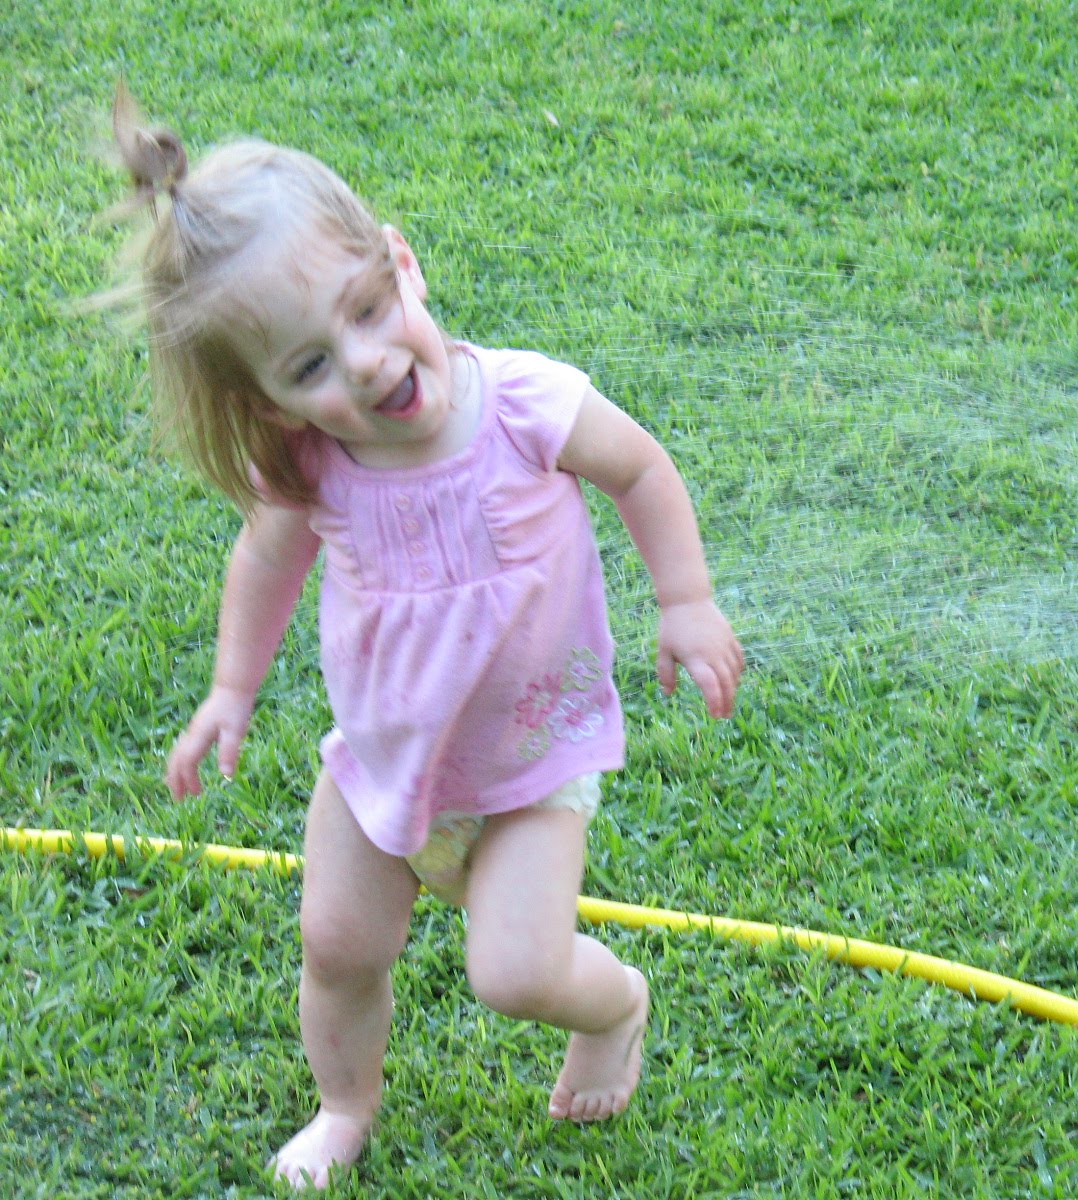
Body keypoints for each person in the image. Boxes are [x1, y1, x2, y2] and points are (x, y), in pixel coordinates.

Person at [104, 87, 745, 1189]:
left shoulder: (526, 406)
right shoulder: (314, 467)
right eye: (307, 366)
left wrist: (684, 601)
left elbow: (638, 467)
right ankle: (345, 1106)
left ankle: (617, 1006)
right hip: (383, 767)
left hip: (527, 767)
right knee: (338, 950)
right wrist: (231, 688)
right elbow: (265, 557)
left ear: (403, 262)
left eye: (365, 308)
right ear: (270, 403)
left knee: (515, 970)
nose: (358, 363)